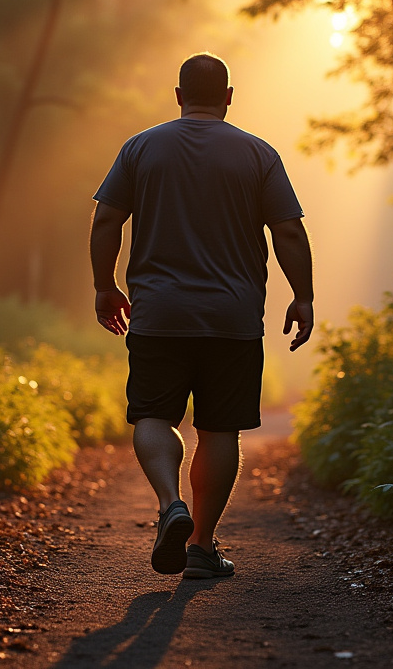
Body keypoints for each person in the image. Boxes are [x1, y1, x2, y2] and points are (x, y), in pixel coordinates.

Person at [88, 52, 315, 579]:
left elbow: (105, 220)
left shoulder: (141, 148)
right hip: (231, 319)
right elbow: (288, 230)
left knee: (153, 416)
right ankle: (201, 546)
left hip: (158, 313)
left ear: (178, 96)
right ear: (229, 97)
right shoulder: (258, 154)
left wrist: (105, 286)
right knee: (219, 430)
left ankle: (171, 503)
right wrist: (302, 295)